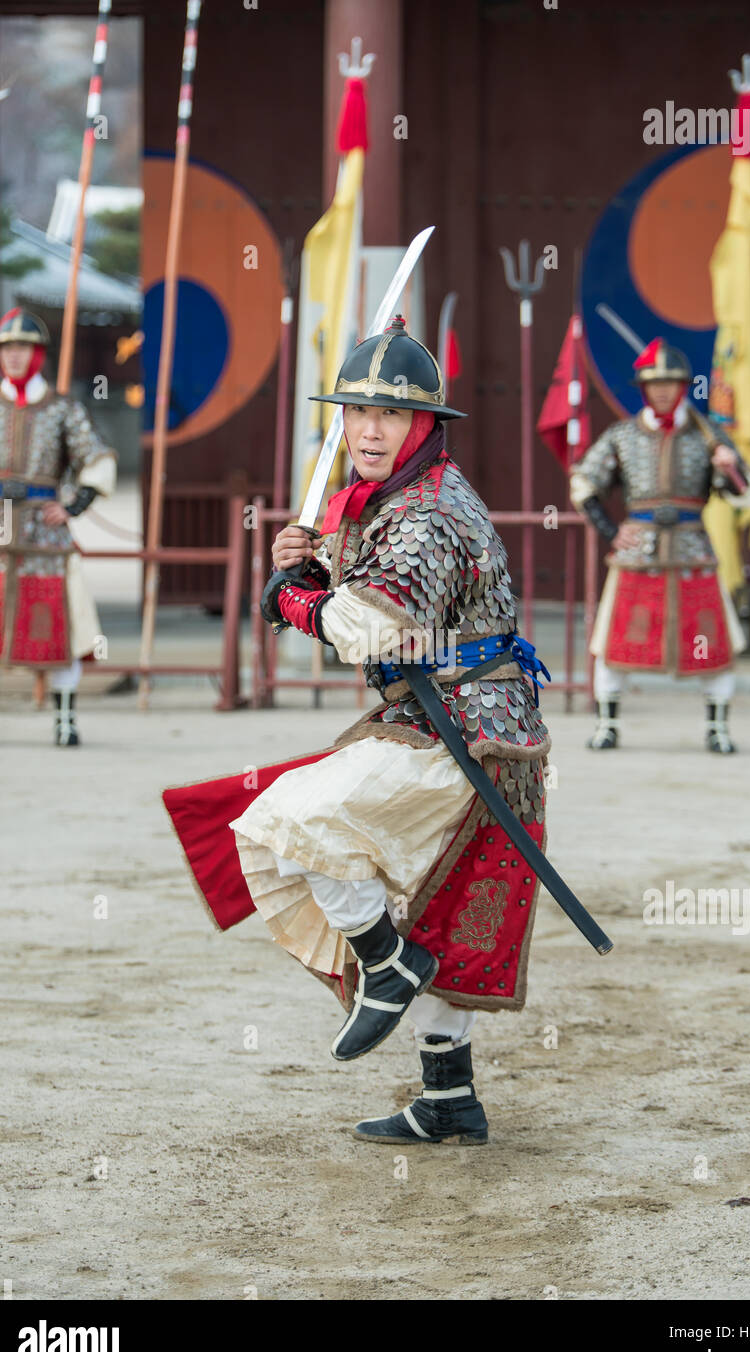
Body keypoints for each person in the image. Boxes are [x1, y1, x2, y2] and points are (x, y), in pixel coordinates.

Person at [164, 316, 552, 1145]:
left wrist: (296, 597)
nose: (369, 430)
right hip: (439, 719)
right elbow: (360, 586)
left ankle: (386, 962)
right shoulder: (396, 501)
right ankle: (448, 1098)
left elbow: (368, 627)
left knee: (286, 820)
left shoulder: (429, 513)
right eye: (356, 413)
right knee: (428, 899)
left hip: (469, 733)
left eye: (390, 415)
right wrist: (308, 563)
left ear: (424, 428)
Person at [569, 338, 750, 753]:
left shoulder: (709, 436)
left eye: (671, 383)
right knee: (615, 640)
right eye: (655, 384)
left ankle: (718, 728)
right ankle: (607, 725)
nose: (663, 391)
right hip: (638, 553)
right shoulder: (622, 435)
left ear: (683, 386)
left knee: (713, 640)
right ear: (644, 389)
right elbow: (583, 484)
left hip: (692, 549)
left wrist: (731, 468)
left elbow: (744, 496)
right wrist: (610, 530)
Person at [0, 308, 117, 745]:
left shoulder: (64, 408)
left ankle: (65, 719)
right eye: (7, 349)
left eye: (23, 349)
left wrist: (75, 505)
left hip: (44, 533)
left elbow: (97, 457)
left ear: (38, 355)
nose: (14, 357)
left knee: (56, 621)